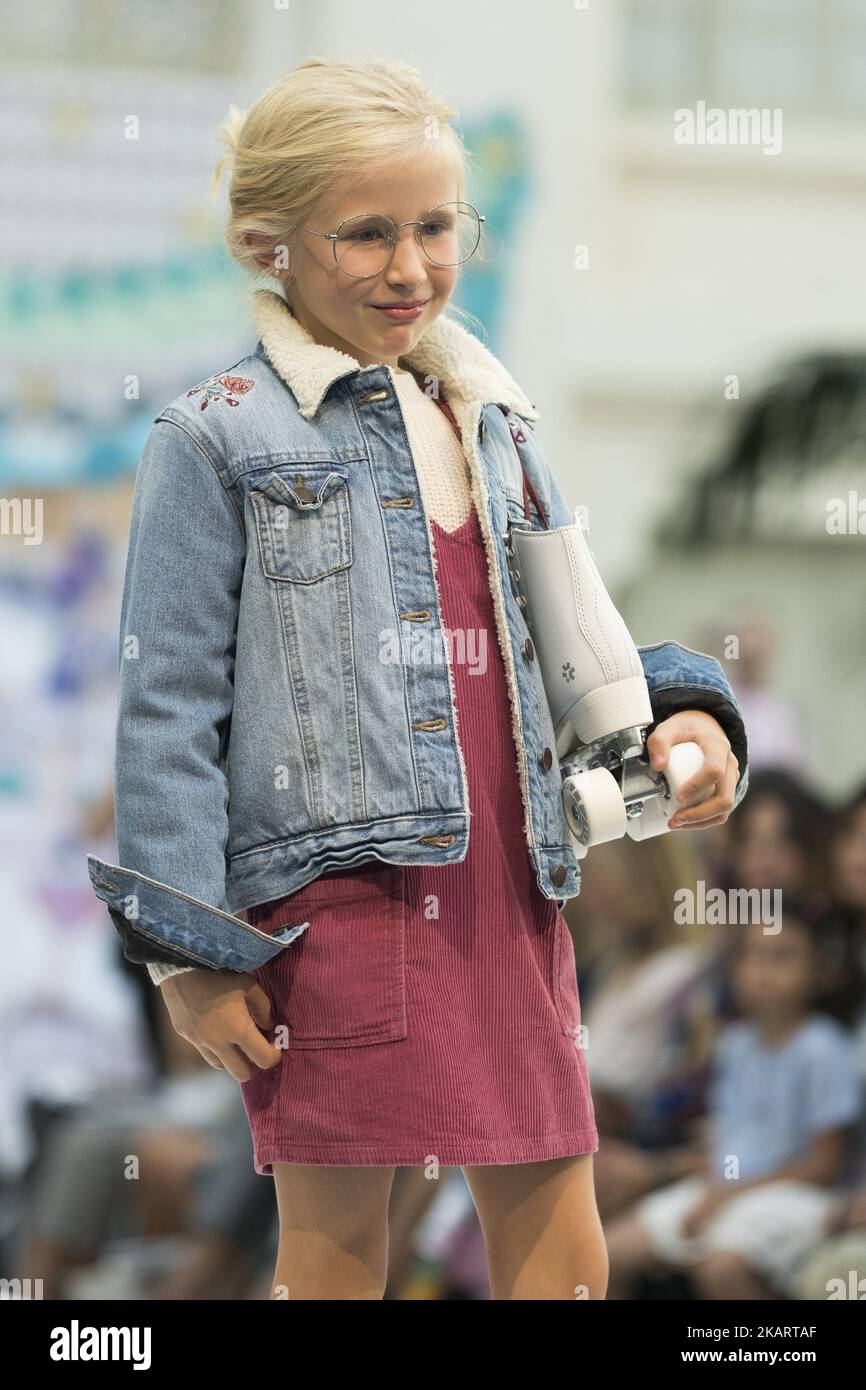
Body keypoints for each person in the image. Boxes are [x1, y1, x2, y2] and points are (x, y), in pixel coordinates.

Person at [92, 56, 749, 1300]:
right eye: (366, 233)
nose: (409, 266)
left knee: (563, 1259)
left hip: (511, 888)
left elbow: (578, 637)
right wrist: (191, 954)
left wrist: (685, 714)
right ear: (265, 245)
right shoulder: (214, 435)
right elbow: (167, 703)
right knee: (335, 1263)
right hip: (340, 908)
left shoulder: (496, 417)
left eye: (436, 226)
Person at [604, 905, 862, 1299]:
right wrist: (709, 1188)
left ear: (818, 971)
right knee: (608, 1253)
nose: (763, 972)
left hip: (794, 1196)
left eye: (782, 958)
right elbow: (725, 1137)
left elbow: (824, 1164)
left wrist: (727, 1197)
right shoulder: (735, 1044)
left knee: (722, 1270)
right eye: (752, 956)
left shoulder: (822, 1047)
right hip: (723, 1187)